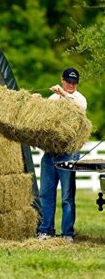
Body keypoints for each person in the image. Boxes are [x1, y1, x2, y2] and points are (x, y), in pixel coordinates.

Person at [37, 68, 87, 242]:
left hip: (69, 153)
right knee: (46, 194)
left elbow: (78, 110)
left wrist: (64, 94)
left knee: (67, 197)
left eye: (74, 82)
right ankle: (46, 230)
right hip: (50, 154)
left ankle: (67, 234)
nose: (71, 85)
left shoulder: (80, 99)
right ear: (62, 79)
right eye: (68, 81)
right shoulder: (52, 99)